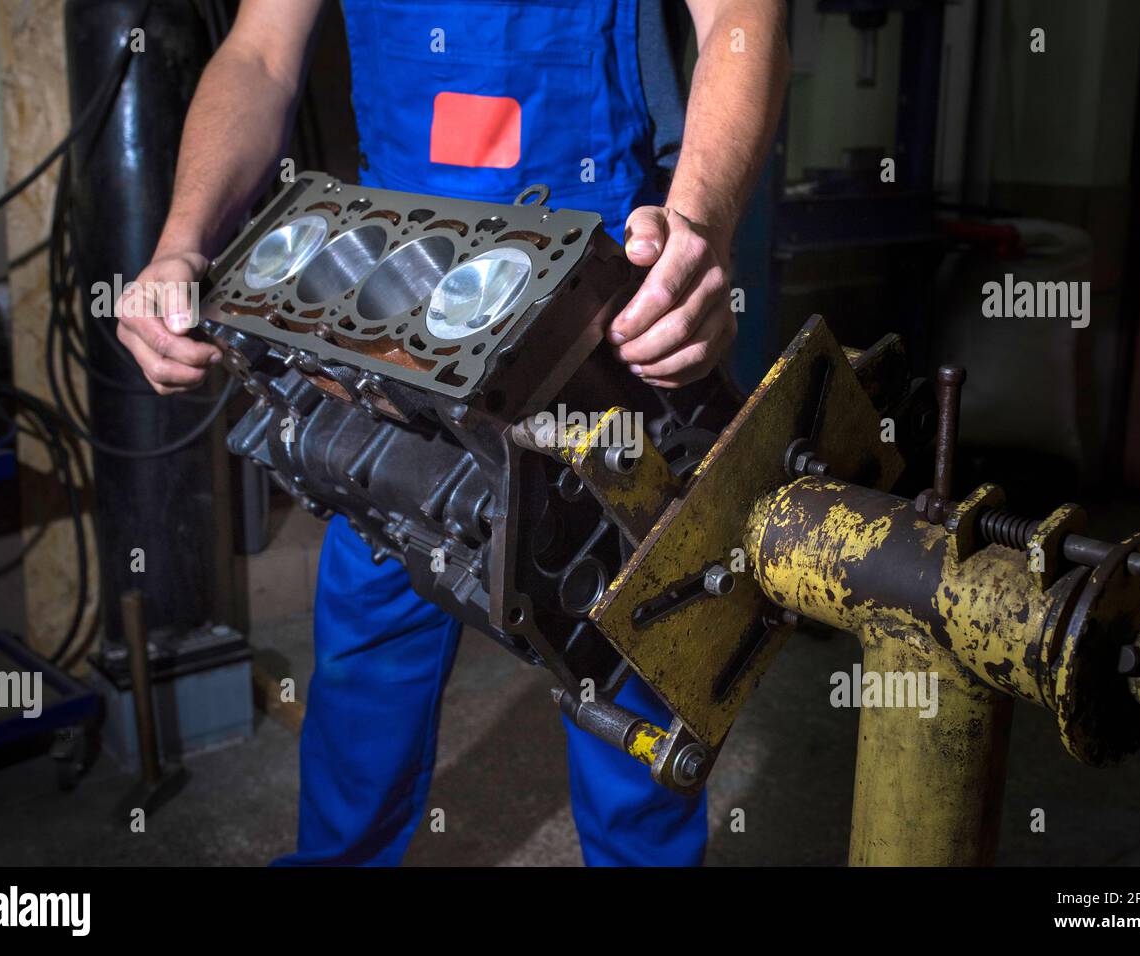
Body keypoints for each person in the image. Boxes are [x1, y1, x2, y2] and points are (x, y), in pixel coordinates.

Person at [115, 0, 788, 865]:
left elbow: (740, 15)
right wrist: (182, 238)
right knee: (365, 665)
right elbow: (259, 53)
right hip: (395, 302)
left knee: (634, 659)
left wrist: (700, 223)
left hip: (598, 309)